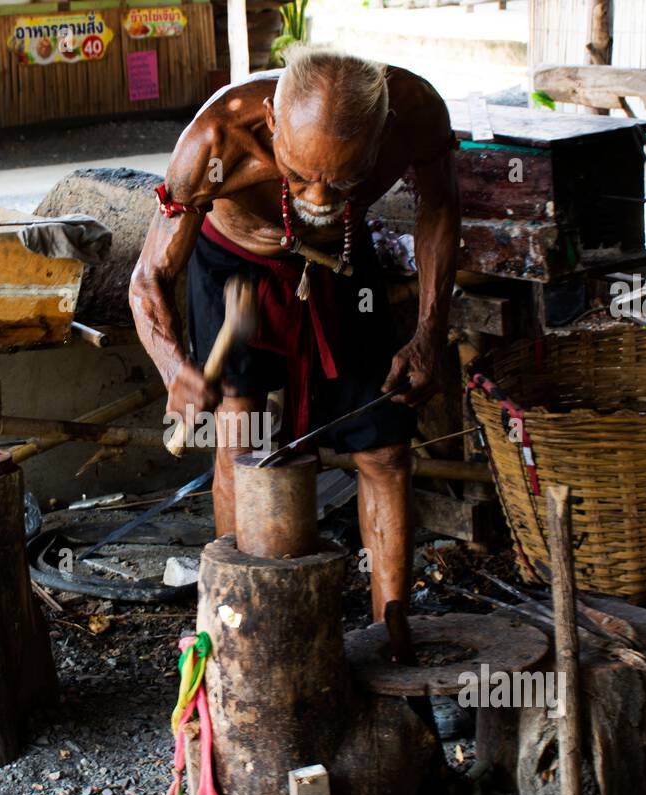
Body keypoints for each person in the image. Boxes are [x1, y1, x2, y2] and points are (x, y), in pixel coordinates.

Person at [129, 47, 460, 622]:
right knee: (243, 439)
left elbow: (440, 206)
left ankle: (394, 635)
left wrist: (431, 331)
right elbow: (149, 277)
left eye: (343, 181)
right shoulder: (215, 138)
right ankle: (244, 629)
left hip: (343, 264)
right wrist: (172, 366)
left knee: (385, 447)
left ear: (382, 135)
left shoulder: (416, 110)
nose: (318, 200)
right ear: (273, 123)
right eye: (301, 176)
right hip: (237, 262)